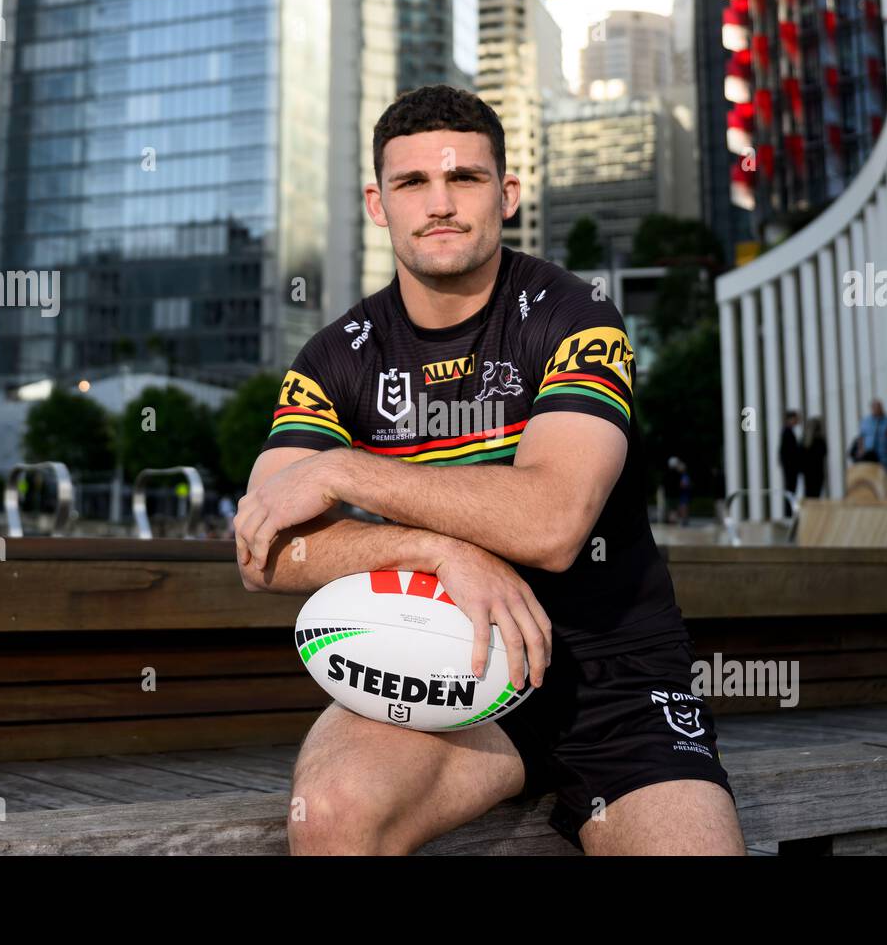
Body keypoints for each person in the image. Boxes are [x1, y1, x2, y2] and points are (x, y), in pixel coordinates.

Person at [233, 86, 743, 856]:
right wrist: (435, 551)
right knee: (335, 813)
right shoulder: (336, 358)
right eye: (412, 183)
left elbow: (553, 524)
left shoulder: (576, 318)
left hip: (610, 672)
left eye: (463, 178)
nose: (439, 204)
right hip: (439, 656)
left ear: (506, 194)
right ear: (378, 202)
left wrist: (347, 471)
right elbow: (263, 551)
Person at [779, 410, 801, 516]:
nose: (797, 421)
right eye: (796, 418)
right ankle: (788, 513)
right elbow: (786, 452)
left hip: (790, 467)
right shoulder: (787, 432)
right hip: (790, 467)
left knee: (791, 490)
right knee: (790, 490)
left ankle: (789, 512)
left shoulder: (787, 431)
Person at [800, 417, 827, 498]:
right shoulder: (820, 441)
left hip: (808, 473)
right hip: (817, 472)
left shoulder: (804, 441)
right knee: (816, 495)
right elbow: (824, 453)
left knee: (809, 494)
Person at [667, 456, 691, 526]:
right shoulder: (680, 475)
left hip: (682, 496)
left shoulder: (683, 475)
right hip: (680, 496)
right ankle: (681, 521)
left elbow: (685, 485)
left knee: (682, 508)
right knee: (680, 509)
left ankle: (683, 521)